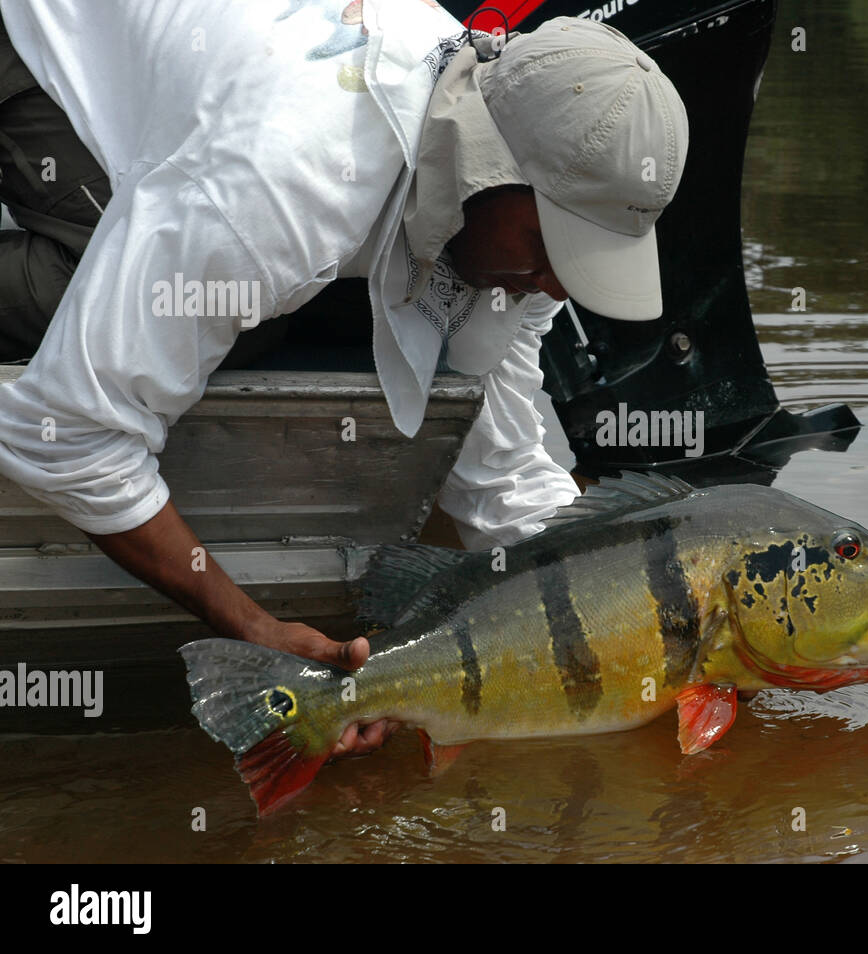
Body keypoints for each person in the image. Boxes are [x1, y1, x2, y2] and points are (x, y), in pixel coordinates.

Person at [0, 0, 688, 754]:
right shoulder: (286, 185)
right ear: (485, 167)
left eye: (585, 259)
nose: (558, 286)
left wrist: (635, 626)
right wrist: (254, 627)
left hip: (216, 81)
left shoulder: (518, 253)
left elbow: (506, 471)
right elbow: (67, 434)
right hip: (42, 35)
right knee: (199, 318)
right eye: (550, 245)